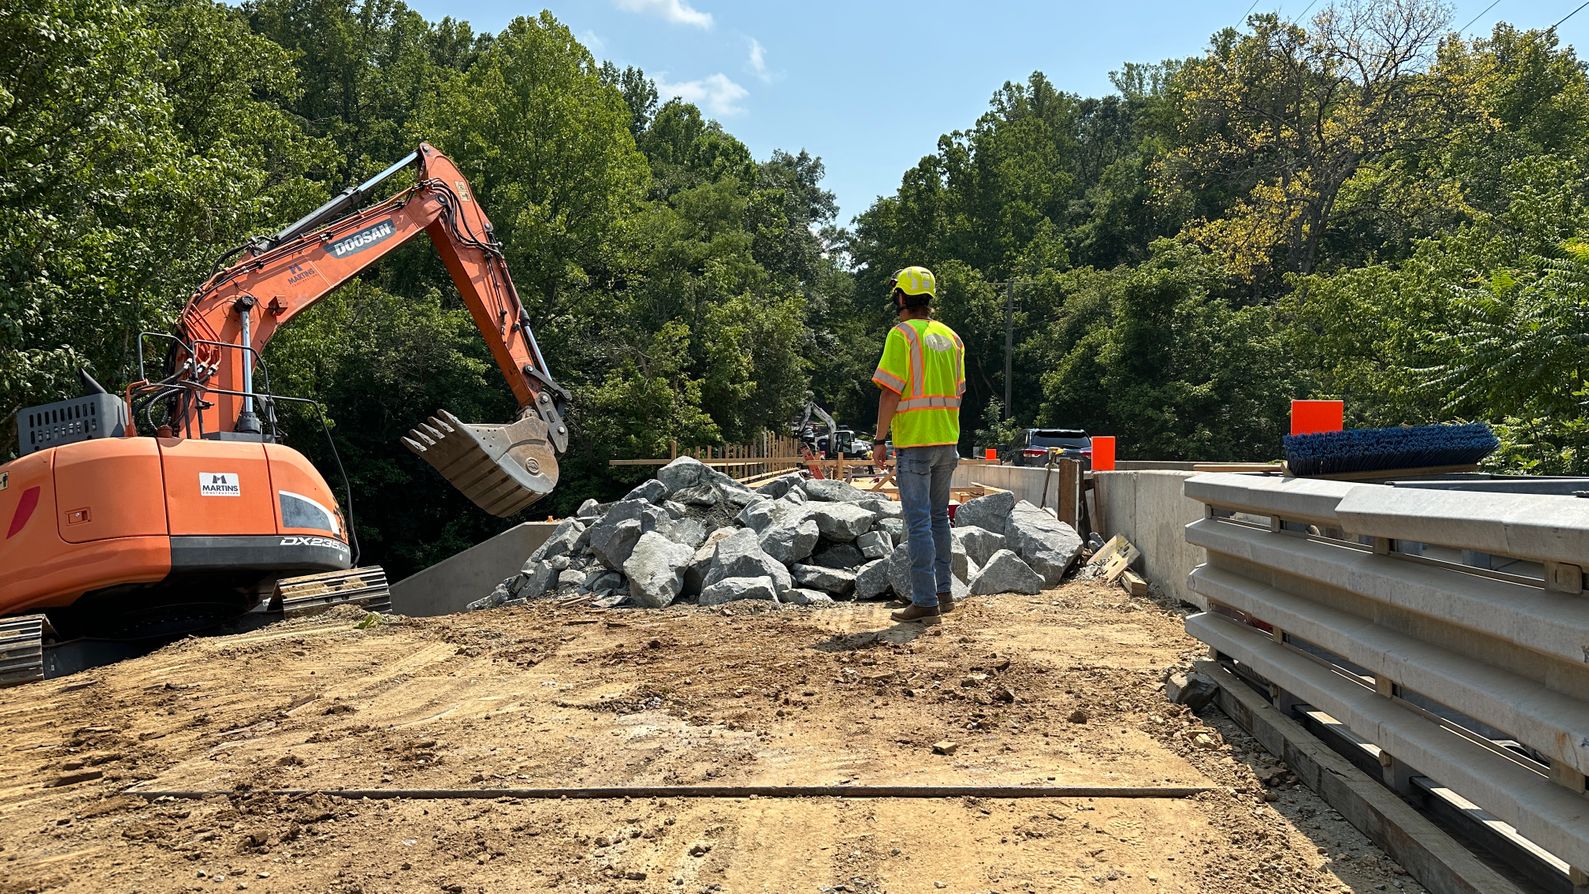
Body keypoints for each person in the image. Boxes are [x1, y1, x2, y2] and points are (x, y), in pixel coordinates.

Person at [870, 266, 966, 623]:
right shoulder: (953, 338)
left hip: (915, 441)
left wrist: (880, 440)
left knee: (919, 522)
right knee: (939, 518)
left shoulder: (903, 335)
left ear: (900, 297)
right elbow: (959, 391)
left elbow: (890, 391)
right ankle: (943, 592)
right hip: (947, 440)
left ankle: (925, 601)